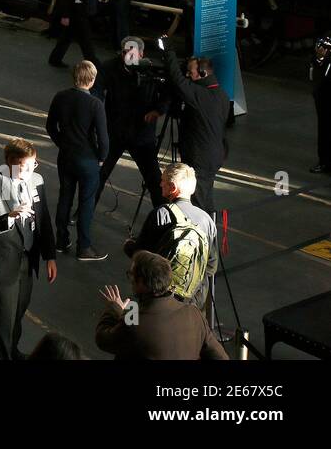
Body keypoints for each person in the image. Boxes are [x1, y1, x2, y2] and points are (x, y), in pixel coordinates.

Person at [0, 138, 58, 360]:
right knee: (3, 319)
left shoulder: (37, 180)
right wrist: (10, 217)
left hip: (26, 260)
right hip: (2, 262)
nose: (30, 171)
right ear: (10, 163)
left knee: (18, 313)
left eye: (33, 165)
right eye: (25, 166)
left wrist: (49, 256)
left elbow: (43, 220)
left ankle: (12, 350)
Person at [96, 251, 228, 360]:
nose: (130, 280)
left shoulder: (134, 319)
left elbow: (103, 339)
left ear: (141, 282)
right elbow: (220, 357)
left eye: (131, 275)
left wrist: (113, 309)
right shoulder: (193, 313)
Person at [124, 163, 217, 312]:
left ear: (173, 187)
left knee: (131, 314)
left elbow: (140, 257)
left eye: (163, 181)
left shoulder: (161, 214)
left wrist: (128, 246)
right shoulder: (207, 220)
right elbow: (211, 266)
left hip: (158, 300)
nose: (160, 184)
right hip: (194, 302)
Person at [47, 60, 109, 261]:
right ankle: (84, 247)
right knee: (86, 202)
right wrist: (101, 157)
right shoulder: (95, 104)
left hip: (66, 156)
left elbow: (50, 126)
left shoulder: (60, 97)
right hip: (87, 159)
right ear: (91, 80)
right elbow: (103, 137)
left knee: (65, 196)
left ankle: (61, 240)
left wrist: (62, 143)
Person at [94, 36, 166, 203]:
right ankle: (84, 211)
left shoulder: (151, 70)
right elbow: (97, 90)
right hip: (115, 131)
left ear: (141, 54)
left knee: (154, 179)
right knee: (99, 175)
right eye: (125, 52)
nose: (128, 57)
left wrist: (159, 109)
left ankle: (163, 217)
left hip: (141, 134)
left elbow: (168, 92)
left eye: (132, 53)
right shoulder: (109, 67)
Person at [163, 45, 229, 214]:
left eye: (190, 72)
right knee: (205, 196)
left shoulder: (202, 95)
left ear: (203, 73)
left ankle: (201, 234)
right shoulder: (221, 95)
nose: (188, 75)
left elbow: (178, 81)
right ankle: (209, 230)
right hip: (214, 155)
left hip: (201, 157)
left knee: (198, 201)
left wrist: (169, 51)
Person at [309, 36, 331, 173]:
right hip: (325, 98)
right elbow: (319, 76)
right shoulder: (318, 61)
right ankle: (324, 161)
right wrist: (322, 58)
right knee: (324, 129)